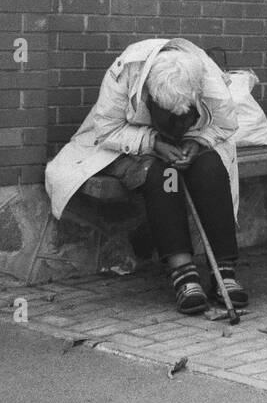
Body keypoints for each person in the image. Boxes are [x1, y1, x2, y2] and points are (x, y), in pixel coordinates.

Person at [45, 38, 245, 314]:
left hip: (193, 139)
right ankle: (183, 273)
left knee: (210, 167)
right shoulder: (128, 70)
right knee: (164, 175)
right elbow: (107, 129)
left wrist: (197, 142)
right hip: (129, 145)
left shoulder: (207, 76)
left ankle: (224, 271)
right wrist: (152, 142)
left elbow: (225, 123)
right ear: (150, 95)